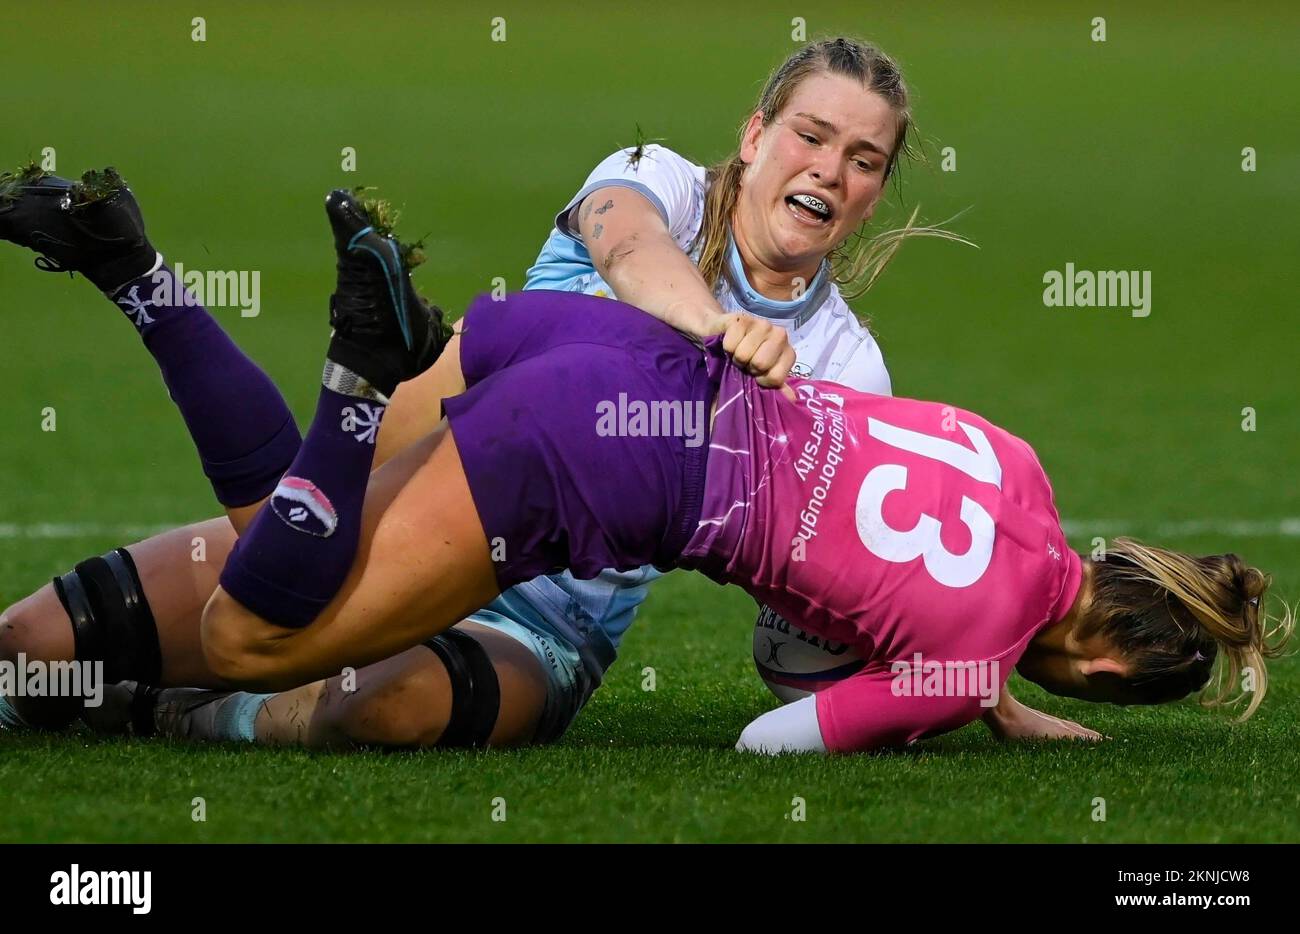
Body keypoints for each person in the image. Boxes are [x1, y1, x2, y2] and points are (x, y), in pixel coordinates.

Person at [0, 172, 1289, 754]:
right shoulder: (673, 194)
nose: (833, 177)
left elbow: (934, 555)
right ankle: (358, 371)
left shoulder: (1018, 463)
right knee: (249, 640)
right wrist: (958, 691)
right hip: (615, 463)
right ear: (1106, 667)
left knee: (290, 523)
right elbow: (773, 734)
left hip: (603, 349)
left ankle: (141, 273)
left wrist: (976, 671)